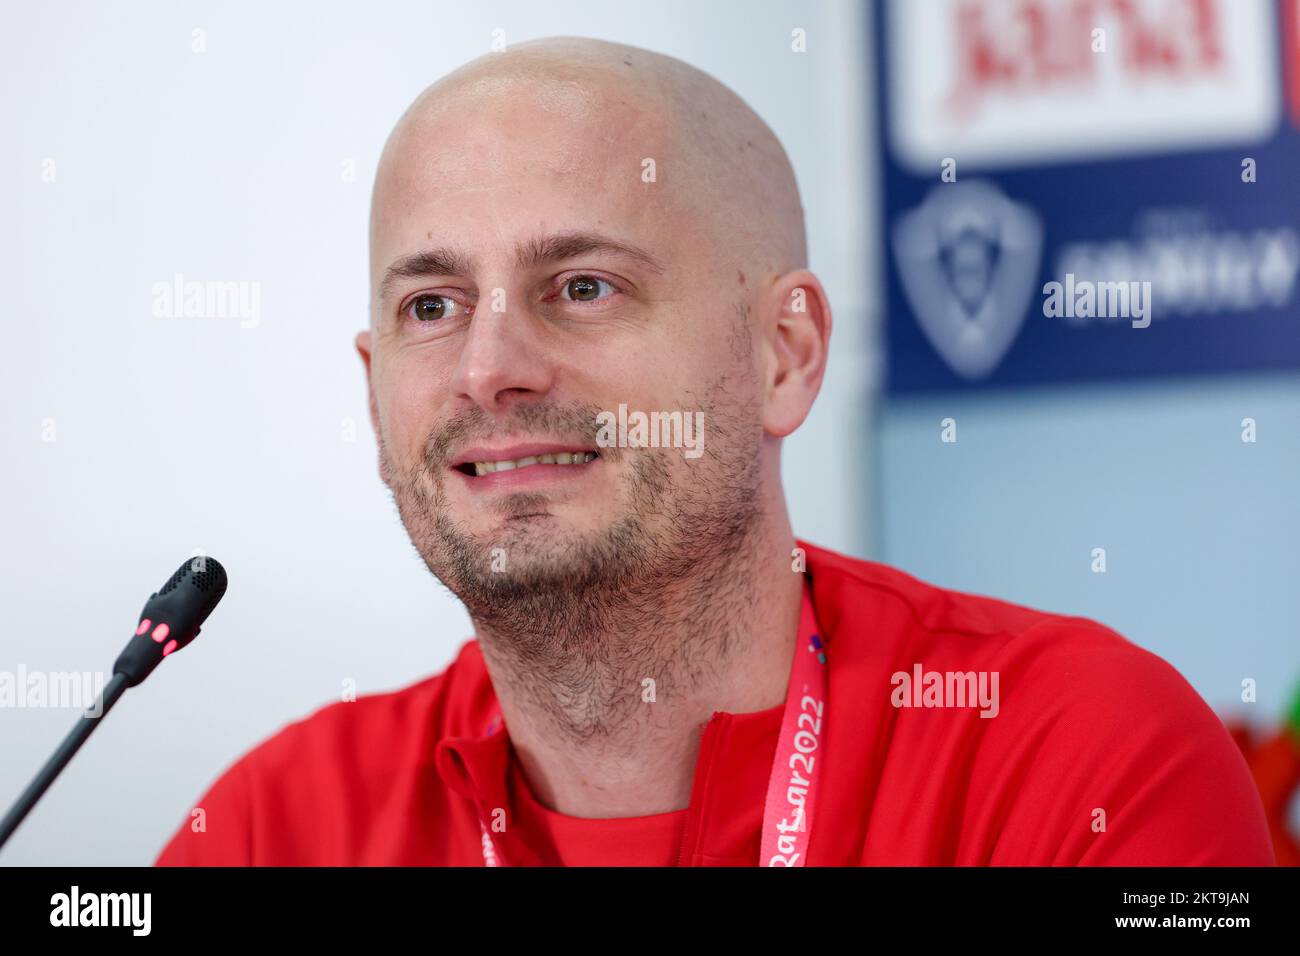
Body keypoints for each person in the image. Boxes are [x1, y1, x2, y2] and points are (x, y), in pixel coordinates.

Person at [155, 36, 1273, 866]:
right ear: (372, 388)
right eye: (433, 304)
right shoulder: (269, 827)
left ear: (783, 354)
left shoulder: (1083, 759)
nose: (488, 365)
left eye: (583, 286)